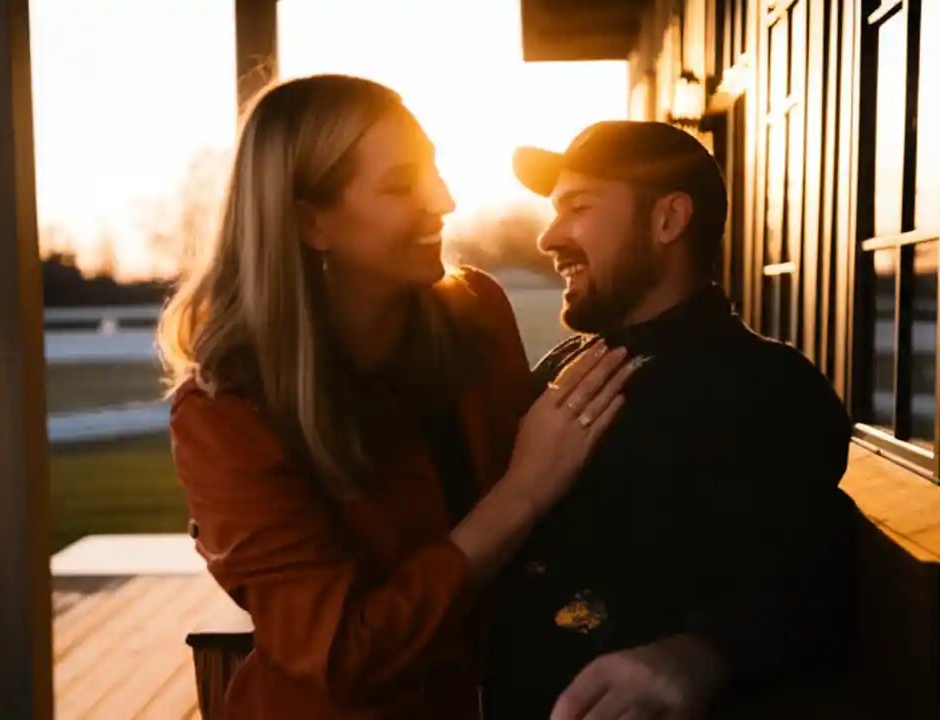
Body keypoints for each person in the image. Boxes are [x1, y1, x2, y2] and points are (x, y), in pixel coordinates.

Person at [157, 75, 638, 719]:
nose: (443, 199)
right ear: (309, 220)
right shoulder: (225, 414)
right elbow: (343, 660)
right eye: (399, 184)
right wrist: (523, 490)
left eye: (433, 170)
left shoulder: (476, 313)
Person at [482, 121, 858, 719]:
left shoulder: (763, 385)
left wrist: (701, 652)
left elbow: (807, 564)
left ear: (668, 221)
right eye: (554, 212)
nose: (549, 237)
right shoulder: (564, 363)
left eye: (578, 207)